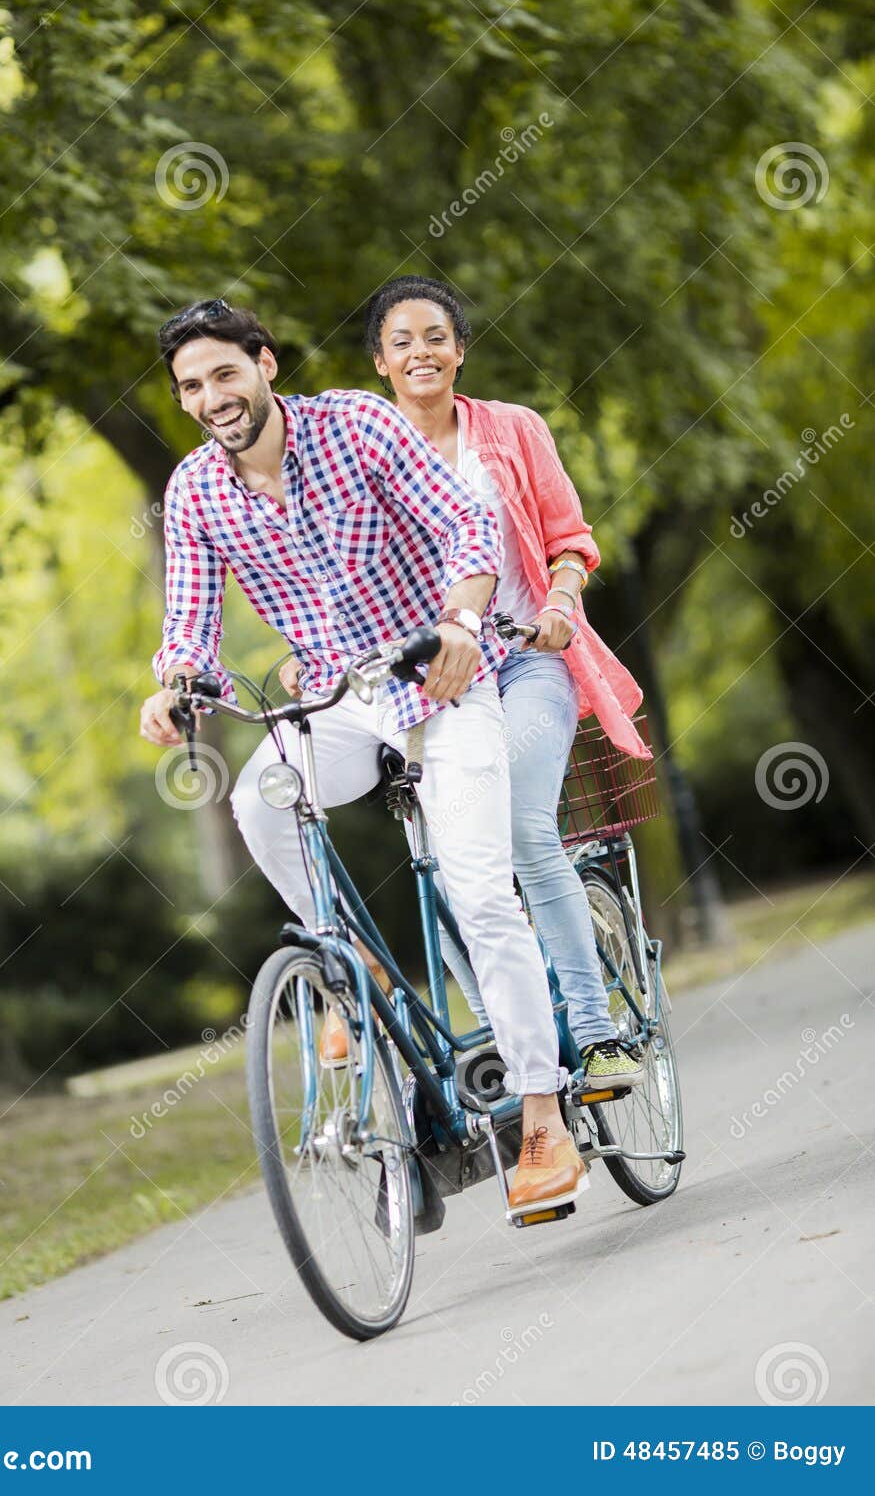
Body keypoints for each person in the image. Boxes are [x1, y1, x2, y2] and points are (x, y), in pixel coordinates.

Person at [139, 297, 588, 1214]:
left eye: (225, 372)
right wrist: (174, 682)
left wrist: (461, 622)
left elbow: (467, 528)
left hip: (438, 677)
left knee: (477, 889)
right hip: (337, 698)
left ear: (265, 364)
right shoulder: (194, 490)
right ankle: (351, 969)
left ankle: (542, 1119)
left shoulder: (355, 423)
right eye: (191, 385)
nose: (211, 396)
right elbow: (188, 621)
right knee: (260, 795)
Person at [350, 274, 651, 1089]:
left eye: (435, 337)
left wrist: (557, 600)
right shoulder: (362, 456)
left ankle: (597, 1037)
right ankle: (513, 1042)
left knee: (522, 829)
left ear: (460, 349)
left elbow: (569, 536)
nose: (421, 352)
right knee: (441, 860)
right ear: (378, 361)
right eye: (401, 341)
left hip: (524, 661)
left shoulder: (511, 429)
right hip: (438, 684)